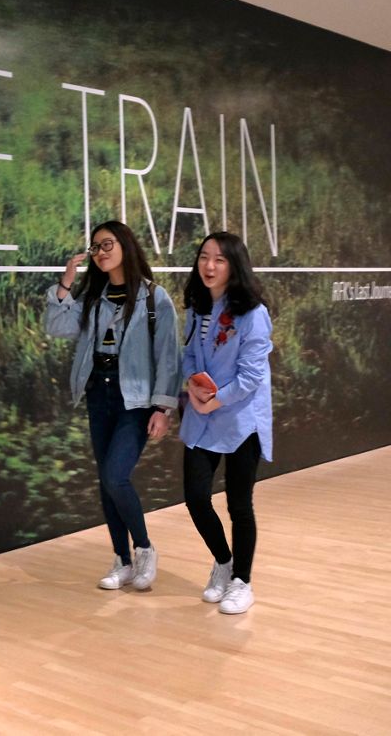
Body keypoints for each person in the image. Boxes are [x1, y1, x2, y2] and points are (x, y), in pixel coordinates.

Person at [45, 220, 181, 591]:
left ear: (125, 245)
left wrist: (163, 408)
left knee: (115, 475)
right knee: (106, 481)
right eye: (95, 247)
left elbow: (169, 357)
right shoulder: (93, 297)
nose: (100, 252)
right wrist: (66, 282)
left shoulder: (155, 298)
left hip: (135, 398)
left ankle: (145, 549)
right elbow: (56, 326)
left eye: (107, 244)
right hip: (99, 392)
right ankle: (121, 559)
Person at [179, 232, 273, 614]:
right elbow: (188, 355)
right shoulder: (196, 307)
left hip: (239, 420)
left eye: (219, 259)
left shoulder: (253, 313)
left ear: (234, 265)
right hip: (202, 417)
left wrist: (214, 400)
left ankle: (242, 581)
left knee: (239, 504)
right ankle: (223, 561)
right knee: (196, 497)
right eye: (204, 257)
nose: (209, 266)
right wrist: (191, 385)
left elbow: (251, 377)